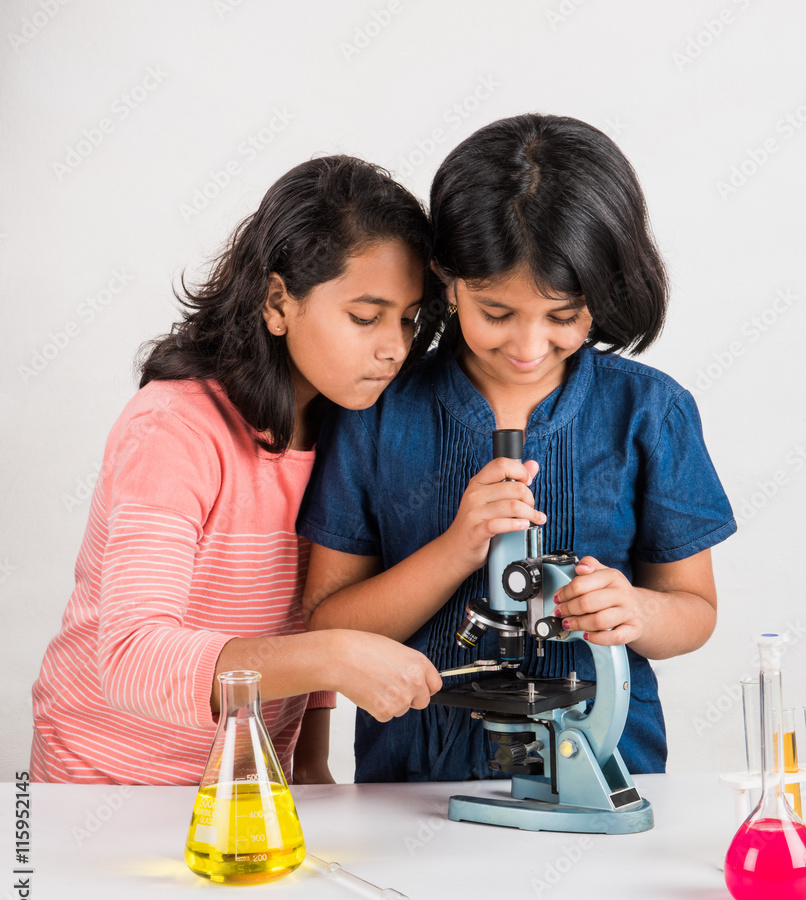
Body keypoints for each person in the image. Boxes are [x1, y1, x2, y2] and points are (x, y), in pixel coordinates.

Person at [299, 114, 737, 782]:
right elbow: (327, 620)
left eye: (563, 316)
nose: (529, 348)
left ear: (609, 287)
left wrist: (635, 609)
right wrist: (455, 550)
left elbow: (695, 611)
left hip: (607, 761)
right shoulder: (378, 411)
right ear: (447, 278)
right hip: (414, 781)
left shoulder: (650, 411)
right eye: (497, 313)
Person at [31, 155, 442, 786]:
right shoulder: (173, 428)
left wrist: (308, 761)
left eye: (408, 319)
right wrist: (333, 655)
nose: (393, 347)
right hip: (104, 785)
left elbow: (310, 610)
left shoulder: (349, 425)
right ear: (278, 301)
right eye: (365, 316)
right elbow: (131, 660)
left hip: (247, 788)